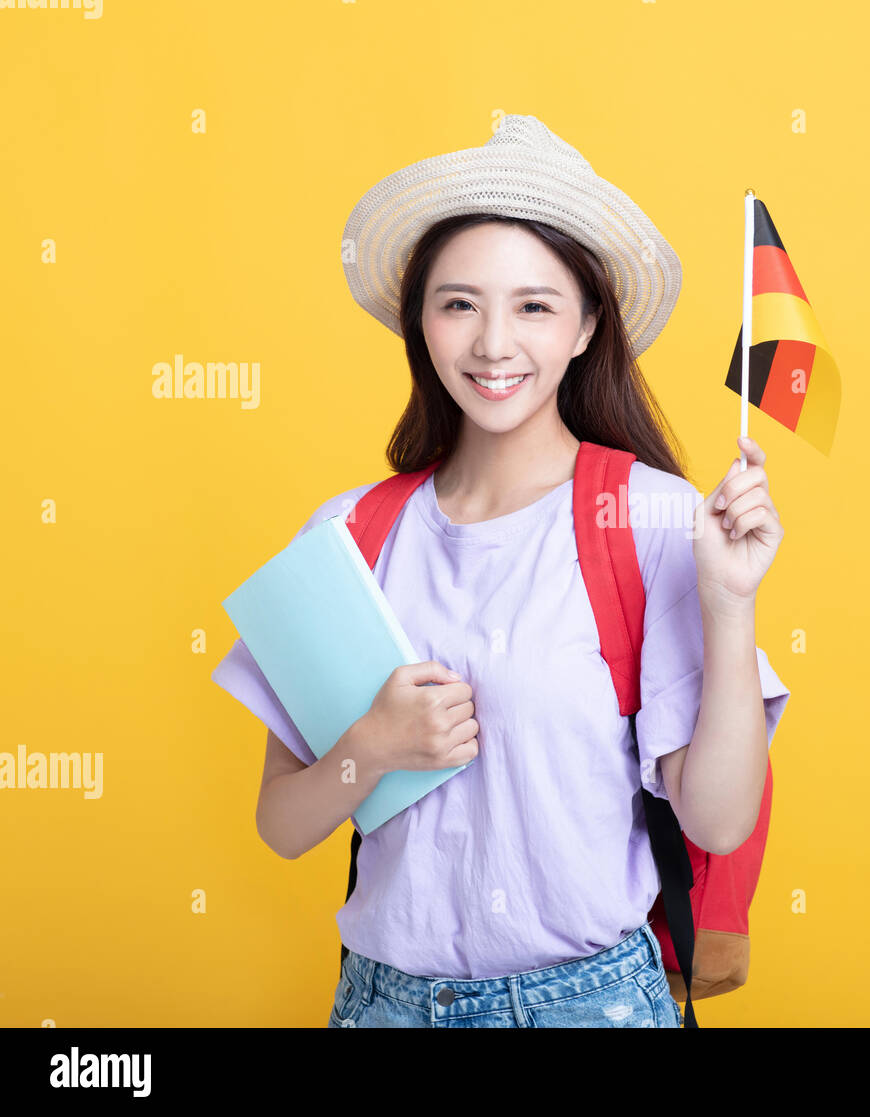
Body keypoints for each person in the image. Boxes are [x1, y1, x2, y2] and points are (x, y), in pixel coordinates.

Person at [211, 115, 792, 1028]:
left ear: (587, 324)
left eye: (533, 305)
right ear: (421, 321)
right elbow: (283, 826)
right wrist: (377, 743)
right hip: (380, 1003)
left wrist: (727, 602)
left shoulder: (654, 518)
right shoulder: (351, 535)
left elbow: (718, 822)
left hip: (591, 1003)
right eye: (458, 303)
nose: (491, 344)